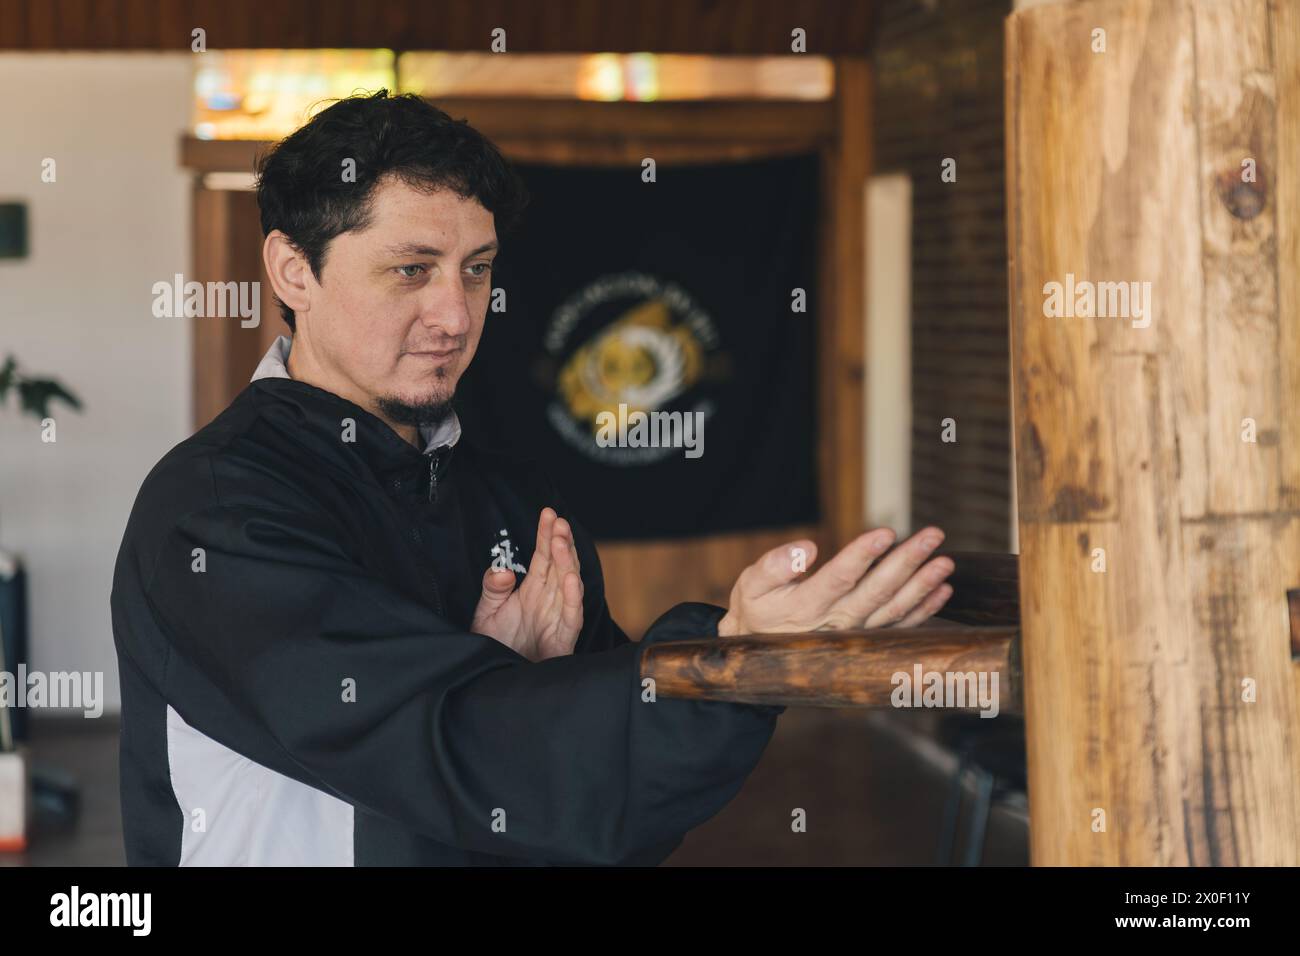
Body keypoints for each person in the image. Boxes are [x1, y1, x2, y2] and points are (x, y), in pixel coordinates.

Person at [110, 91, 954, 866]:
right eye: (412, 269)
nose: (455, 314)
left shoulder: (514, 497)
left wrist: (734, 664)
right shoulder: (217, 512)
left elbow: (605, 811)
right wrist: (723, 664)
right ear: (294, 269)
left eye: (476, 268)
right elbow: (438, 750)